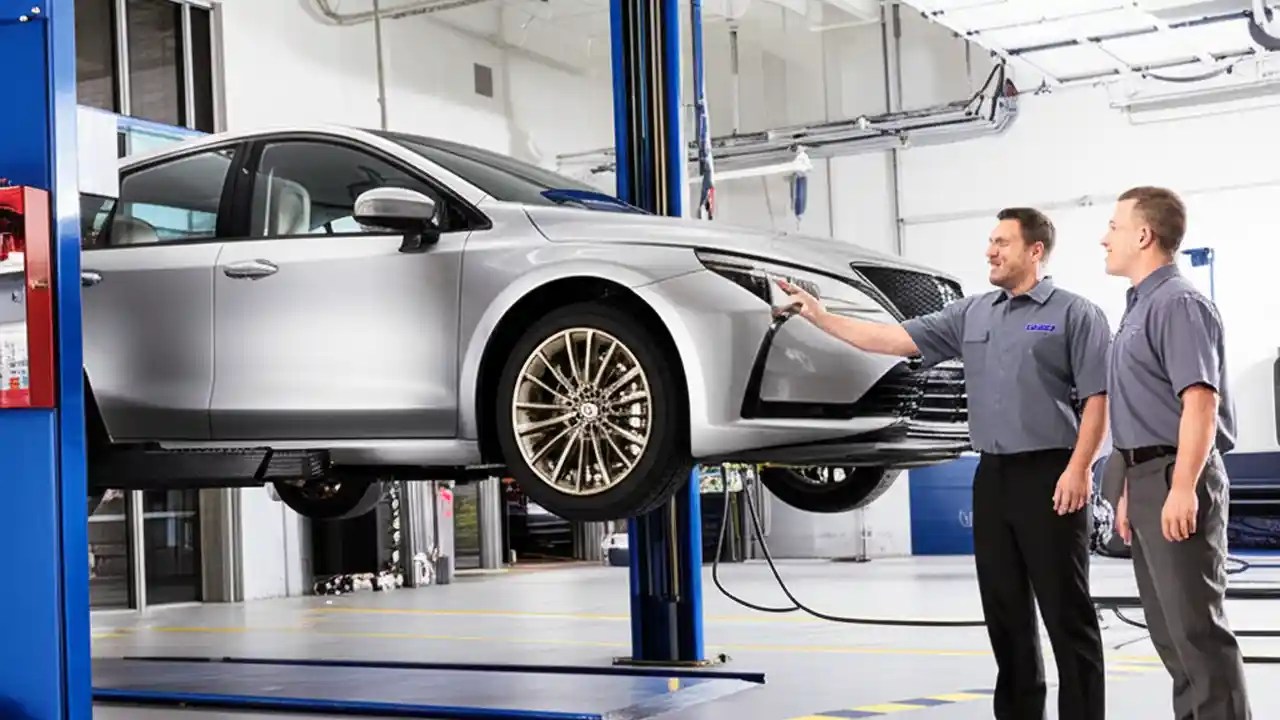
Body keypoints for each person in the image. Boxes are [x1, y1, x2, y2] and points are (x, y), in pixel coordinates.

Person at [779, 207, 1110, 720]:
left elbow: (1097, 398)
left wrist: (1080, 467)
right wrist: (819, 317)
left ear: (1035, 251)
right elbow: (892, 338)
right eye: (990, 241)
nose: (990, 251)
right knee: (1006, 616)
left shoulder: (1075, 313)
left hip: (1052, 475)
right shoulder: (973, 313)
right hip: (993, 478)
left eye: (1002, 242)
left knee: (1068, 616)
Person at [1102, 186, 1251, 720]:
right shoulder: (1139, 306)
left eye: (1114, 228)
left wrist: (1183, 486)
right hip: (1145, 480)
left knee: (1197, 633)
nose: (1105, 237)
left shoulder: (1178, 303)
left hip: (1176, 474)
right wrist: (1126, 491)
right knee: (1170, 635)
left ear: (1144, 235)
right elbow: (1137, 411)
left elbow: (1200, 404)